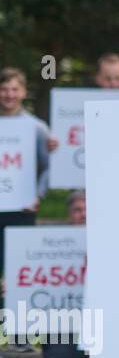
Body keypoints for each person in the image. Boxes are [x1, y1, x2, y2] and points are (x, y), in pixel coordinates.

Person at [29, 190, 88, 358]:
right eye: (77, 209)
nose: (83, 214)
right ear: (69, 215)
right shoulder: (49, 247)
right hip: (67, 321)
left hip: (105, 322)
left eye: (87, 208)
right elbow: (31, 281)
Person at [0, 68, 59, 303]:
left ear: (23, 92)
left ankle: (17, 332)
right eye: (4, 89)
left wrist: (39, 195)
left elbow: (49, 166)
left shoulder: (37, 127)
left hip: (22, 209)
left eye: (14, 89)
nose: (9, 94)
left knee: (18, 269)